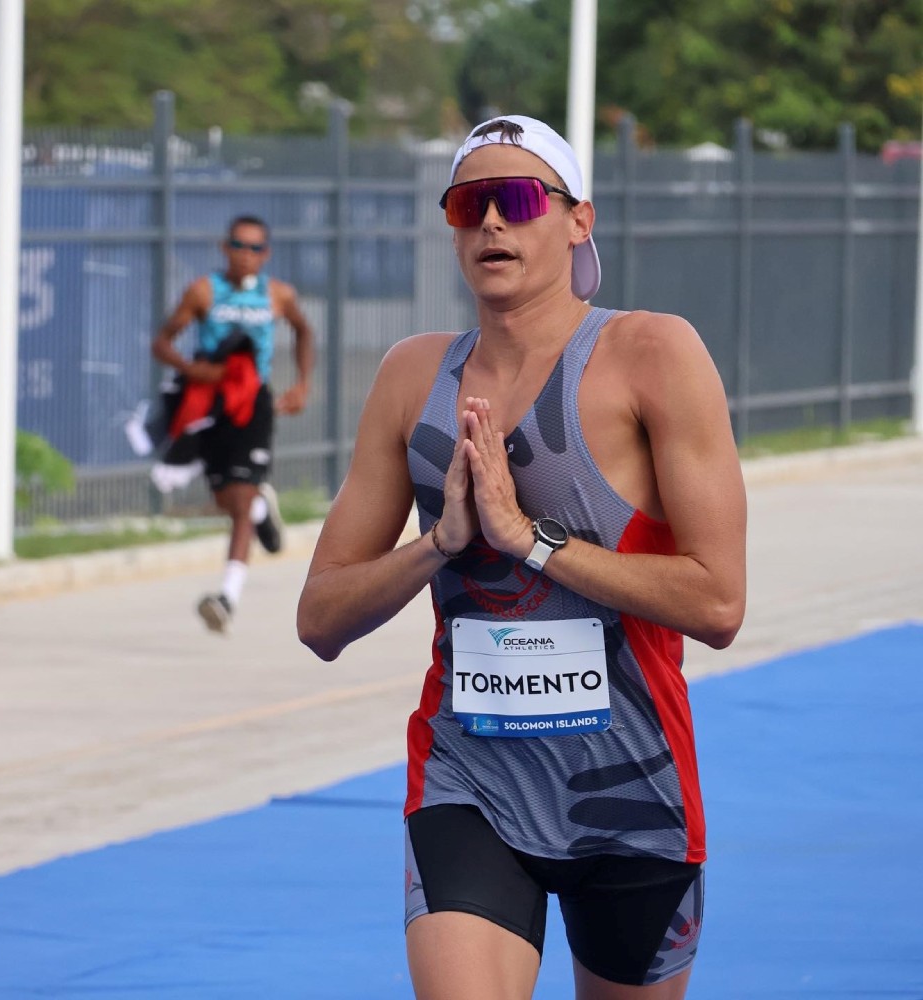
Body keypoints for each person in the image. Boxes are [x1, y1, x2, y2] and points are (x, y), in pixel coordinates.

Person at [297, 115, 746, 1000]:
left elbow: (718, 603)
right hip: (470, 778)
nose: (492, 223)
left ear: (578, 220)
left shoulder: (652, 354)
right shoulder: (412, 377)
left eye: (516, 199)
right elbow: (320, 619)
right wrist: (441, 544)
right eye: (468, 205)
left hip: (632, 785)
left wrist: (529, 541)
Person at [153, 215, 314, 633]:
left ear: (266, 254)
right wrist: (191, 368)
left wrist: (301, 383)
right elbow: (162, 342)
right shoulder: (203, 291)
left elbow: (303, 330)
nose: (246, 255)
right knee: (227, 498)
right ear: (225, 248)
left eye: (255, 248)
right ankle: (260, 506)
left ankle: (226, 597)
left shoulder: (277, 294)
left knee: (238, 502)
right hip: (211, 403)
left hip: (253, 403)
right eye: (239, 246)